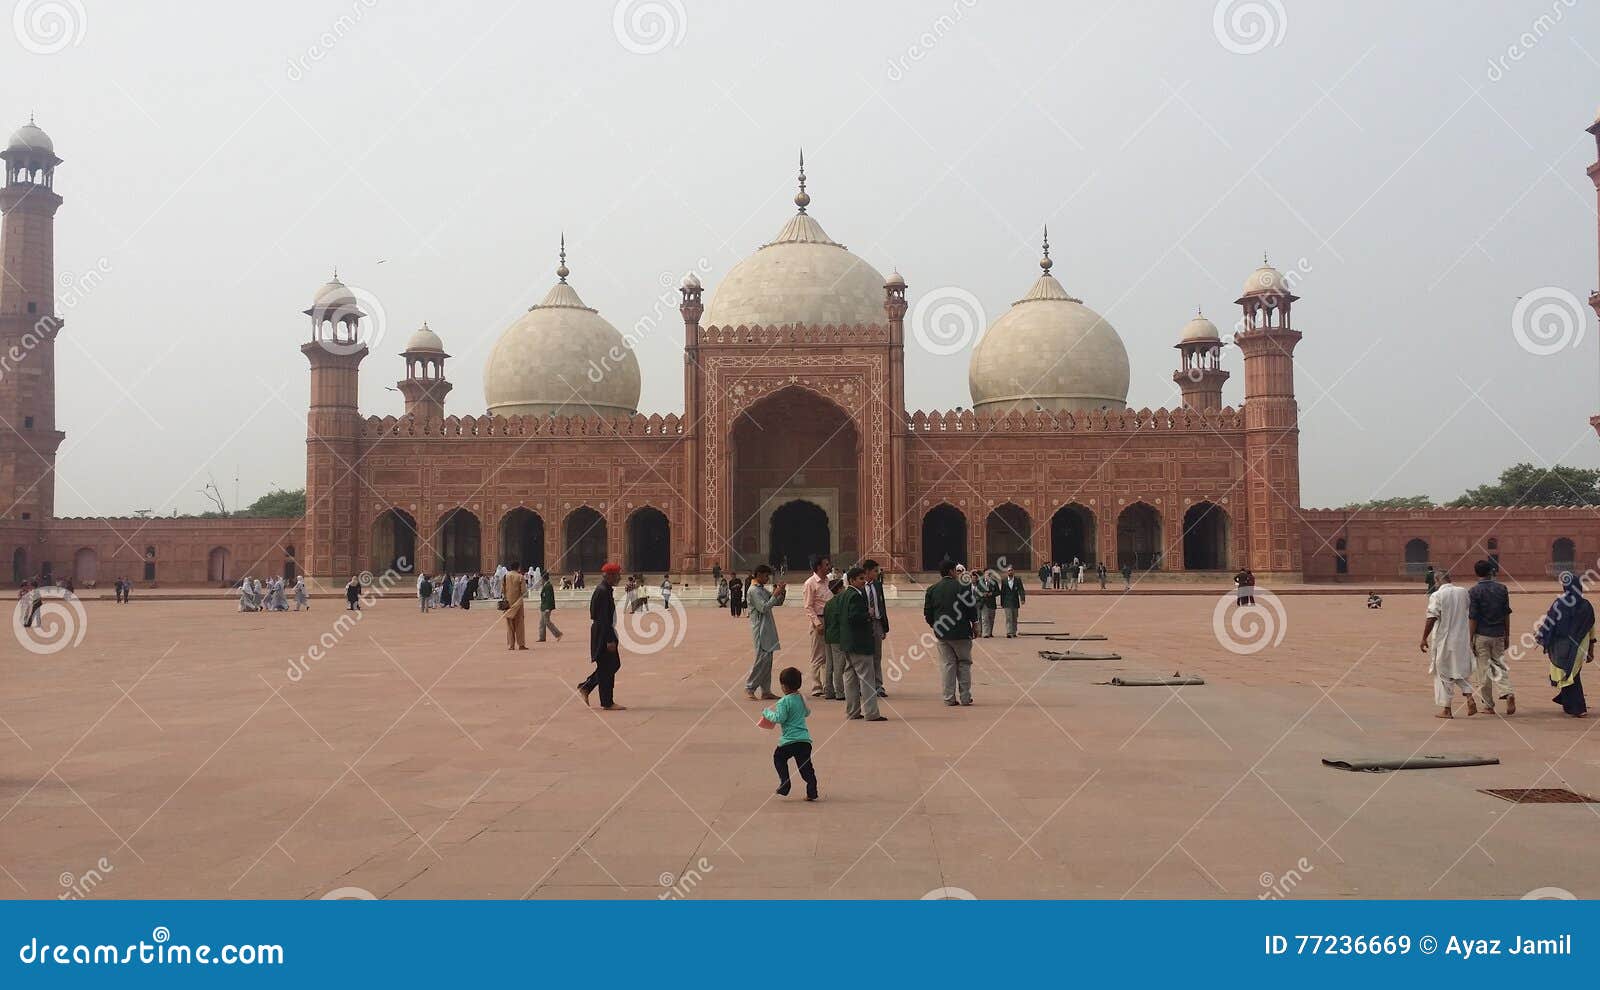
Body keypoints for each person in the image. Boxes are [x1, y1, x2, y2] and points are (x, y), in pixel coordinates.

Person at [1421, 571, 1477, 719]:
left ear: (1437, 580)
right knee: (1460, 670)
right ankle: (1470, 697)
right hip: (1462, 638)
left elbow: (1432, 617)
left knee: (1443, 673)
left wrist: (1423, 638)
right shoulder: (1463, 592)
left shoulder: (1437, 595)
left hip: (1444, 639)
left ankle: (1447, 709)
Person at [1538, 571, 1593, 718]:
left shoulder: (1559, 603)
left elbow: (1550, 622)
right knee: (1572, 673)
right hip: (1581, 645)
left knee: (1568, 675)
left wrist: (1542, 635)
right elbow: (1590, 628)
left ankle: (1577, 707)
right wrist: (1591, 651)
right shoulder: (1586, 605)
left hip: (1562, 645)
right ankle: (1567, 701)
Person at [924, 558, 978, 706]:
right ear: (951, 571)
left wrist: (935, 626)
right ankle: (965, 697)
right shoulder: (963, 587)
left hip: (942, 634)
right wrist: (975, 624)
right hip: (961, 632)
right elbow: (971, 608)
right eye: (956, 570)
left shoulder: (932, 589)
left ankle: (949, 697)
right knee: (964, 663)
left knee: (948, 665)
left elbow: (928, 613)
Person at [761, 667, 819, 801]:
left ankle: (785, 782)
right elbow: (807, 713)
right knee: (805, 767)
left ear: (784, 686)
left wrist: (766, 712)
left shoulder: (783, 701)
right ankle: (812, 790)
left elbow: (779, 718)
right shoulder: (801, 698)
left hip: (789, 740)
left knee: (779, 758)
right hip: (804, 741)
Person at [1467, 558, 1515, 716]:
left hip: (1481, 634)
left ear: (1476, 573)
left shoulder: (1474, 591)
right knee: (1499, 666)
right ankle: (1508, 692)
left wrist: (1470, 638)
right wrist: (1507, 635)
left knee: (1484, 670)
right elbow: (1506, 614)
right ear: (1491, 572)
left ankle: (1488, 705)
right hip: (1498, 634)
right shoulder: (1502, 588)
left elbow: (1473, 617)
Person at [839, 567, 888, 721]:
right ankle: (872, 713)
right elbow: (854, 618)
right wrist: (868, 614)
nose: (863, 581)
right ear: (852, 580)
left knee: (850, 678)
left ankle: (853, 711)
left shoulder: (843, 595)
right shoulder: (855, 596)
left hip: (847, 643)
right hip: (859, 644)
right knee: (867, 679)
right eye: (860, 578)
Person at [578, 562, 625, 710]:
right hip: (603, 632)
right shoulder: (603, 591)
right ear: (610, 575)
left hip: (602, 630)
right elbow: (603, 618)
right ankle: (603, 699)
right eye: (617, 574)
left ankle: (593, 691)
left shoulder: (604, 589)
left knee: (609, 665)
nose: (619, 577)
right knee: (610, 665)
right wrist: (609, 639)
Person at [744, 564, 787, 700]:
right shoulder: (754, 591)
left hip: (767, 628)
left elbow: (777, 602)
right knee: (761, 660)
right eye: (766, 575)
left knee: (767, 662)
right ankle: (749, 687)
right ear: (759, 575)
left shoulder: (761, 589)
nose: (767, 578)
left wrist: (781, 592)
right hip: (760, 629)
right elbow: (764, 607)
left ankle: (766, 690)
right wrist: (774, 595)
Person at [802, 554, 833, 698]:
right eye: (826, 565)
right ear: (819, 567)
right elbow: (808, 607)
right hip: (819, 621)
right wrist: (817, 623)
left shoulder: (830, 581)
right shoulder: (810, 583)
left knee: (829, 654)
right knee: (817, 655)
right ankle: (816, 686)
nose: (829, 567)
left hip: (831, 620)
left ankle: (828, 685)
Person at [862, 558, 890, 699]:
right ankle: (865, 686)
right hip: (865, 624)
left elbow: (882, 605)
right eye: (875, 571)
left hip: (877, 623)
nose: (877, 573)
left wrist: (884, 627)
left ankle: (878, 686)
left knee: (877, 656)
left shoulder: (878, 585)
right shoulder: (860, 586)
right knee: (865, 657)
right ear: (867, 571)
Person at [821, 577, 847, 700]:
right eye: (842, 587)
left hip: (828, 636)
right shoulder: (841, 603)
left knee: (829, 665)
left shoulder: (828, 604)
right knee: (839, 665)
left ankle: (829, 691)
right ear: (838, 589)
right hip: (837, 637)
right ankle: (840, 692)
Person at [502, 561, 527, 650]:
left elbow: (503, 590)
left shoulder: (505, 576)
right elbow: (524, 592)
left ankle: (511, 645)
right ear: (518, 568)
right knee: (519, 624)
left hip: (508, 604)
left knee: (509, 625)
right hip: (518, 604)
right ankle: (521, 644)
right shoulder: (520, 577)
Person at [998, 564, 1026, 638]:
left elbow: (1021, 590)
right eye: (1009, 571)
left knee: (1014, 618)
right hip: (1007, 602)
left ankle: (1014, 632)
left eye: (1011, 570)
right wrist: (1002, 602)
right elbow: (1002, 592)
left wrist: (1022, 599)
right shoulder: (1004, 581)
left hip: (1015, 602)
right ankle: (1009, 632)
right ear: (1007, 572)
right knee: (1008, 617)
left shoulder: (1017, 580)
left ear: (1013, 571)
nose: (1010, 572)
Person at [537, 572, 562, 642]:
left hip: (546, 607)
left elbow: (549, 598)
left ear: (543, 578)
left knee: (547, 622)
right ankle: (542, 637)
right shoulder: (545, 585)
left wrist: (548, 608)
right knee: (542, 623)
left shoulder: (548, 586)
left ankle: (558, 634)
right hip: (544, 606)